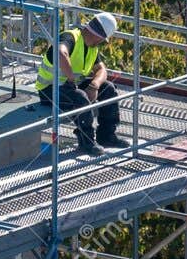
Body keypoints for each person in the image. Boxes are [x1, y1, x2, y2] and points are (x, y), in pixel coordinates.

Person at [35, 11, 125, 154]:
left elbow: (102, 70)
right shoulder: (70, 37)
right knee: (81, 97)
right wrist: (71, 80)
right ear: (99, 36)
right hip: (49, 89)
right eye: (102, 39)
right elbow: (61, 53)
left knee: (108, 88)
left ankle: (106, 135)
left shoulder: (91, 48)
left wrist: (94, 85)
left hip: (69, 87)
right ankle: (86, 142)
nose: (101, 43)